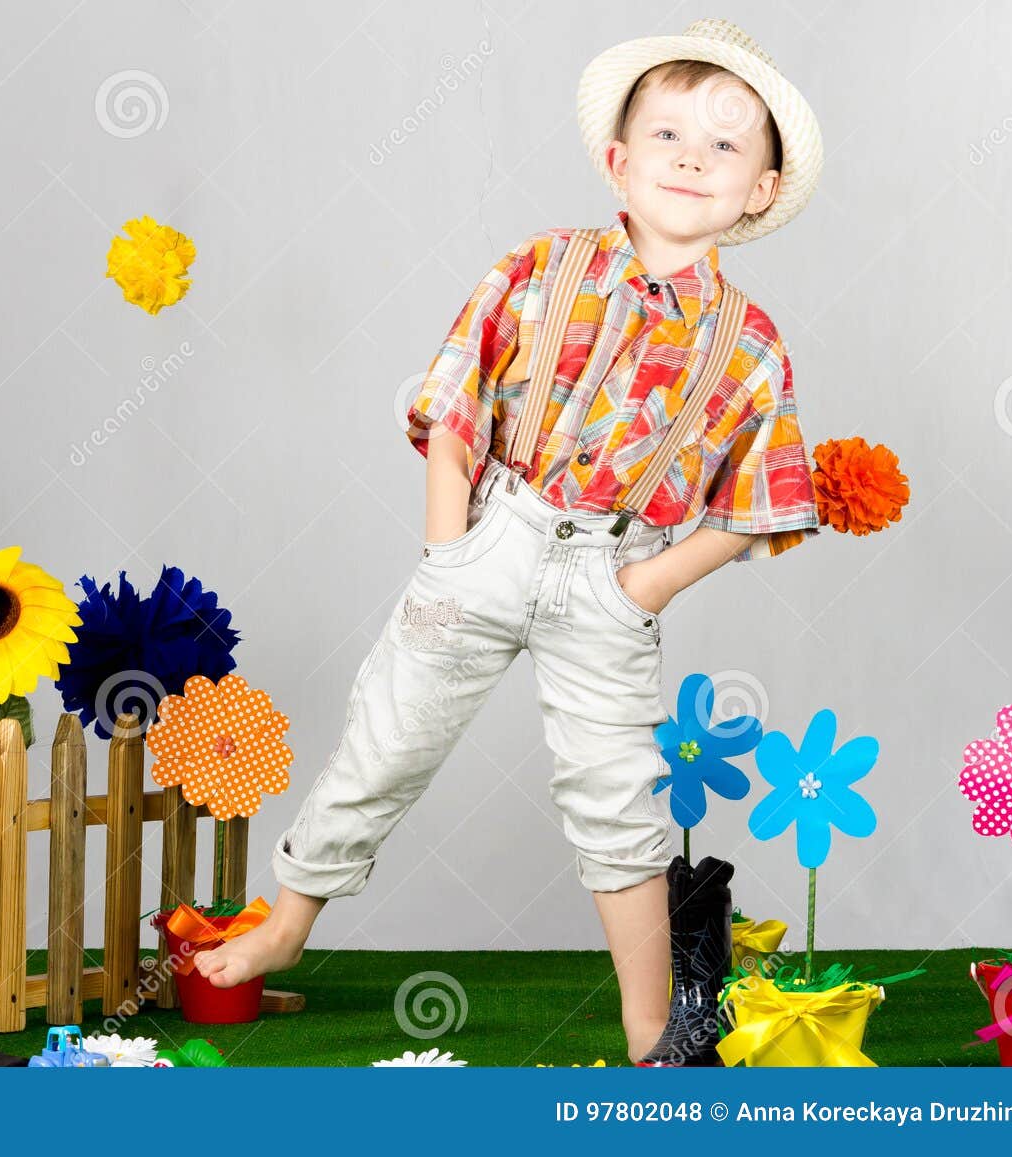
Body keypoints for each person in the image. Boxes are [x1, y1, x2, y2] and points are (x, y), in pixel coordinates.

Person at [193, 19, 823, 1066]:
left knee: (615, 796)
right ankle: (288, 919)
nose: (690, 159)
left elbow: (758, 500)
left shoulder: (748, 343)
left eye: (724, 147)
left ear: (758, 189)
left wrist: (643, 587)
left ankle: (647, 1023)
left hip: (611, 573)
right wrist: (448, 552)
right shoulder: (540, 269)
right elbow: (454, 410)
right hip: (497, 534)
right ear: (617, 159)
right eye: (665, 134)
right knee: (386, 736)